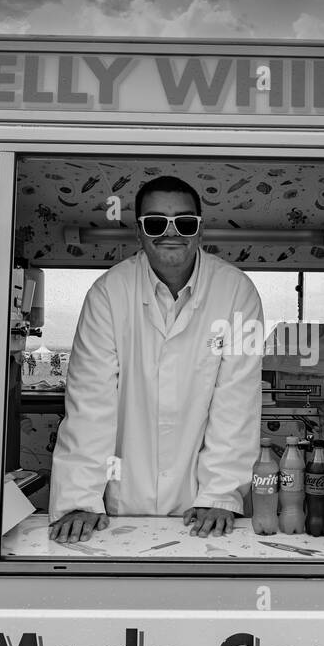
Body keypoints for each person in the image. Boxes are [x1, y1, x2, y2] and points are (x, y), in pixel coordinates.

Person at [48, 175, 264, 542]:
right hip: (124, 495)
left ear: (199, 229)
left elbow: (237, 402)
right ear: (139, 231)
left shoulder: (238, 293)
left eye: (184, 222)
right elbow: (90, 404)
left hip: (205, 507)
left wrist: (221, 494)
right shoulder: (107, 294)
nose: (170, 232)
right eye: (155, 222)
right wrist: (79, 499)